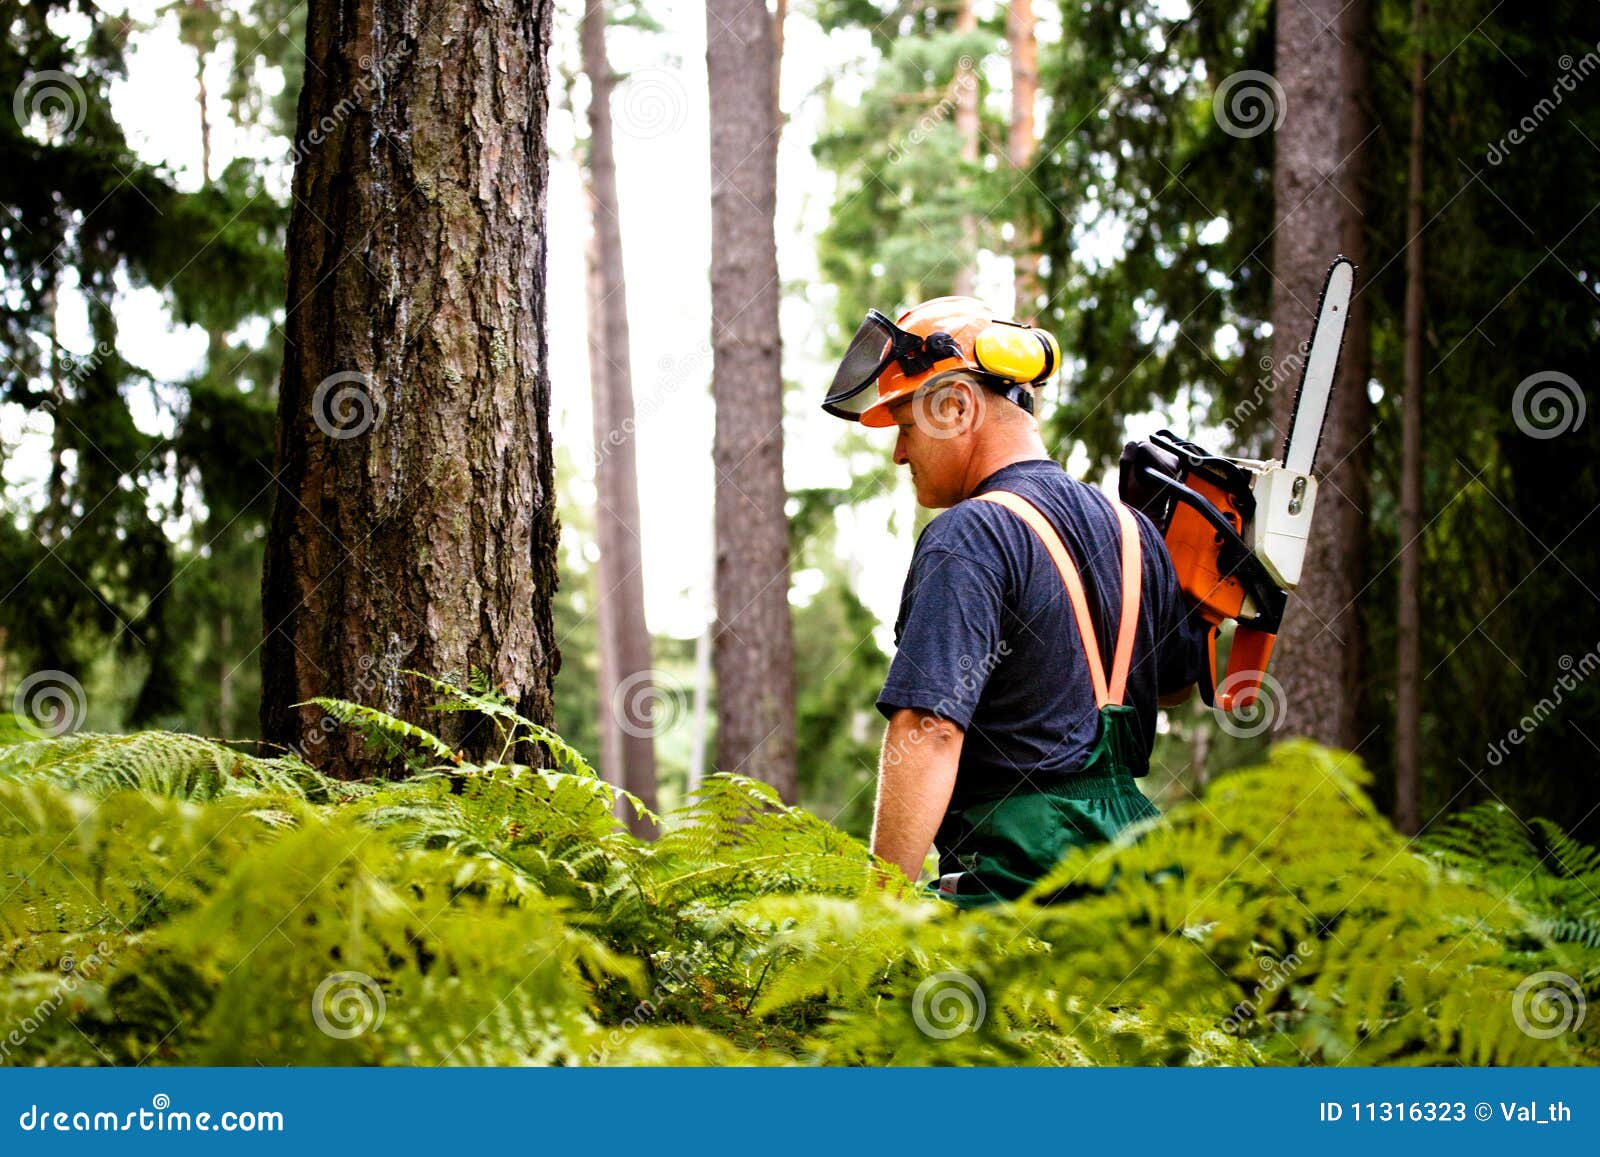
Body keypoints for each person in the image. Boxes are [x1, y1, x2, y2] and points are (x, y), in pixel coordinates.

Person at [819, 296, 1206, 907]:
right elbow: (1176, 685)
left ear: (956, 405)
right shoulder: (1137, 534)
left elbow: (930, 729)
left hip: (1018, 881)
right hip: (1139, 879)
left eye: (906, 425)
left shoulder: (968, 534)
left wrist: (877, 915)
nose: (898, 453)